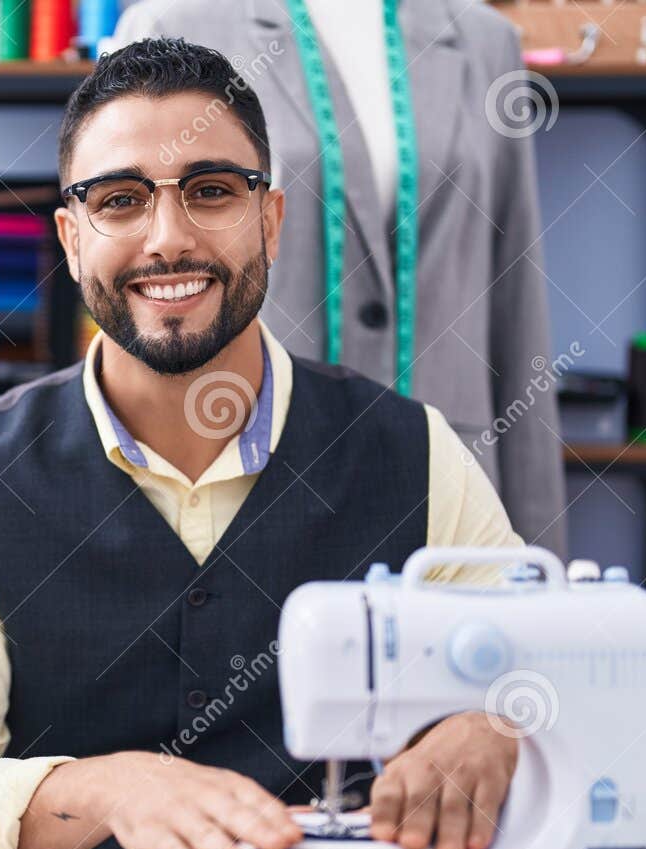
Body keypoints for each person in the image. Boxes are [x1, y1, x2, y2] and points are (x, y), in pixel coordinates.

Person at [0, 39, 521, 849]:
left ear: (271, 220)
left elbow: (544, 671)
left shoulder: (416, 452)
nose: (167, 240)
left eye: (210, 192)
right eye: (120, 200)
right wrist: (108, 790)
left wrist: (497, 725)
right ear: (68, 237)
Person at [112, 0, 567, 556]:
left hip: (450, 486)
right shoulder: (177, 25)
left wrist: (542, 553)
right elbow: (132, 271)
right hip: (246, 477)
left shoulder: (483, 40)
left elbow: (515, 291)